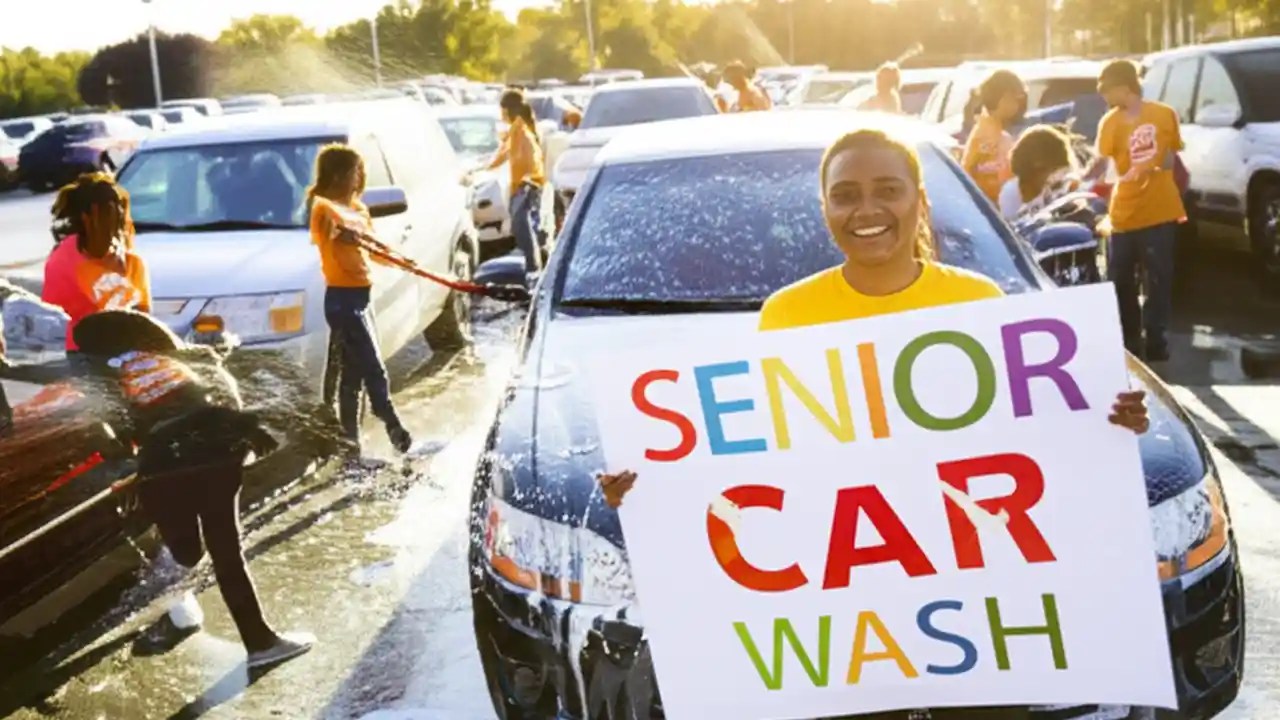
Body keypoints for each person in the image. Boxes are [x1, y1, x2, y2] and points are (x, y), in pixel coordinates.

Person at [597, 132, 1151, 720]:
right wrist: (652, 482)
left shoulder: (978, 300)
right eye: (846, 195)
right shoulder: (787, 316)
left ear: (919, 200)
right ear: (826, 209)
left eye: (887, 190)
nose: (866, 211)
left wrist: (1104, 421)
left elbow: (1027, 448)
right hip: (849, 620)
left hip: (979, 611)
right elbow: (755, 466)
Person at [73, 309, 315, 669]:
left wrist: (131, 458)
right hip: (213, 459)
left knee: (185, 552)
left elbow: (111, 436)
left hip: (160, 471)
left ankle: (167, 603)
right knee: (226, 553)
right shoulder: (174, 359)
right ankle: (260, 643)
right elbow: (219, 397)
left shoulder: (101, 376)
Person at [307, 143, 414, 456]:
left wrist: (401, 260)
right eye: (355, 170)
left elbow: (373, 249)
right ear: (338, 173)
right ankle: (394, 426)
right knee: (374, 368)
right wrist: (343, 235)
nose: (360, 176)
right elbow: (323, 233)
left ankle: (350, 444)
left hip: (361, 298)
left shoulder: (359, 210)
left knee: (352, 376)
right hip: (341, 303)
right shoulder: (321, 207)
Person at [1095, 59, 1185, 362]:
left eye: (1107, 91)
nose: (1105, 98)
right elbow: (1103, 162)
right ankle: (1131, 341)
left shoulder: (1163, 114)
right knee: (1120, 277)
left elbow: (1173, 158)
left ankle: (1157, 339)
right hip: (1123, 213)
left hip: (1160, 209)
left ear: (1124, 87)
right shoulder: (1109, 122)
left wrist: (1151, 169)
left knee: (1159, 277)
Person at [41, 173, 151, 355]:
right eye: (108, 211)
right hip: (81, 357)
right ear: (87, 217)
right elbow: (51, 324)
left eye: (119, 210)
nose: (117, 217)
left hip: (128, 355)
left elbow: (144, 319)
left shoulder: (133, 262)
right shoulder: (62, 263)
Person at [485, 89, 548, 278]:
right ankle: (535, 265)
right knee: (525, 227)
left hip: (526, 185)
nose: (500, 114)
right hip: (526, 184)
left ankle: (534, 270)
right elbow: (503, 155)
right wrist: (482, 168)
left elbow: (523, 156)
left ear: (508, 110)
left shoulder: (520, 130)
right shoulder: (517, 129)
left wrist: (524, 181)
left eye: (501, 110)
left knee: (523, 227)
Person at [961, 69, 1027, 205]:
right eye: (1011, 99)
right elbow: (993, 183)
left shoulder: (992, 129)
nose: (1016, 105)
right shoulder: (987, 136)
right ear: (997, 98)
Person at [999, 124, 1082, 222]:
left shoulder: (1063, 185)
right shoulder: (1011, 193)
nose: (1057, 175)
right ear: (1038, 165)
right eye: (1054, 169)